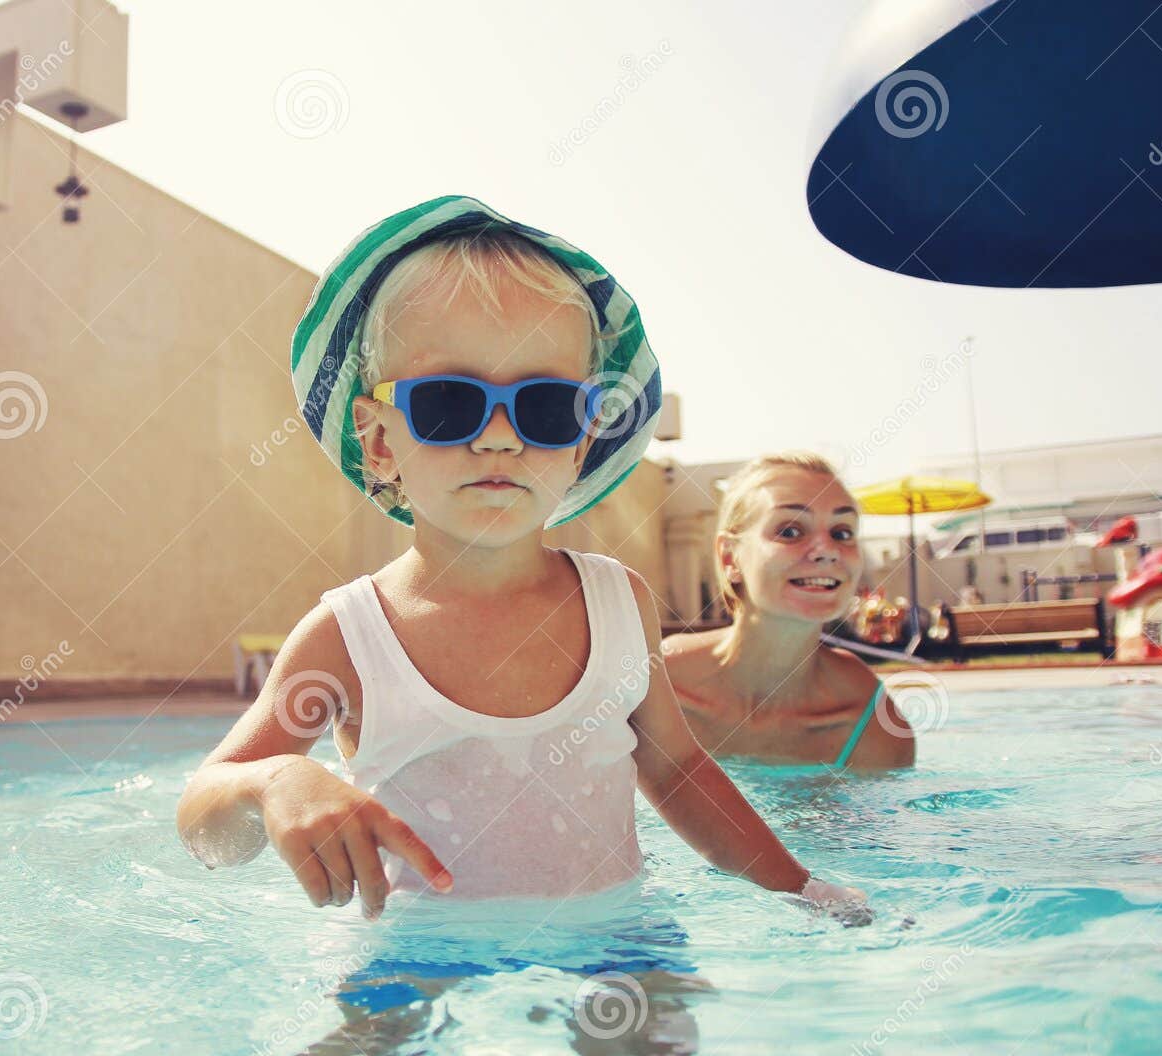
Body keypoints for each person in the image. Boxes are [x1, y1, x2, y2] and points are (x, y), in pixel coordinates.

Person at [175, 197, 866, 923]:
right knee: (362, 1042)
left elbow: (678, 769)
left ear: (581, 438)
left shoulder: (616, 603)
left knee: (659, 1034)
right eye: (449, 403)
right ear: (380, 440)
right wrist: (277, 779)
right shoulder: (348, 635)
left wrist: (802, 888)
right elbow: (202, 816)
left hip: (611, 937)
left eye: (542, 406)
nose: (501, 438)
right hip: (417, 960)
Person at [663, 452, 916, 771]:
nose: (827, 551)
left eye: (842, 532)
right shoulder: (655, 685)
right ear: (730, 557)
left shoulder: (869, 720)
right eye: (791, 531)